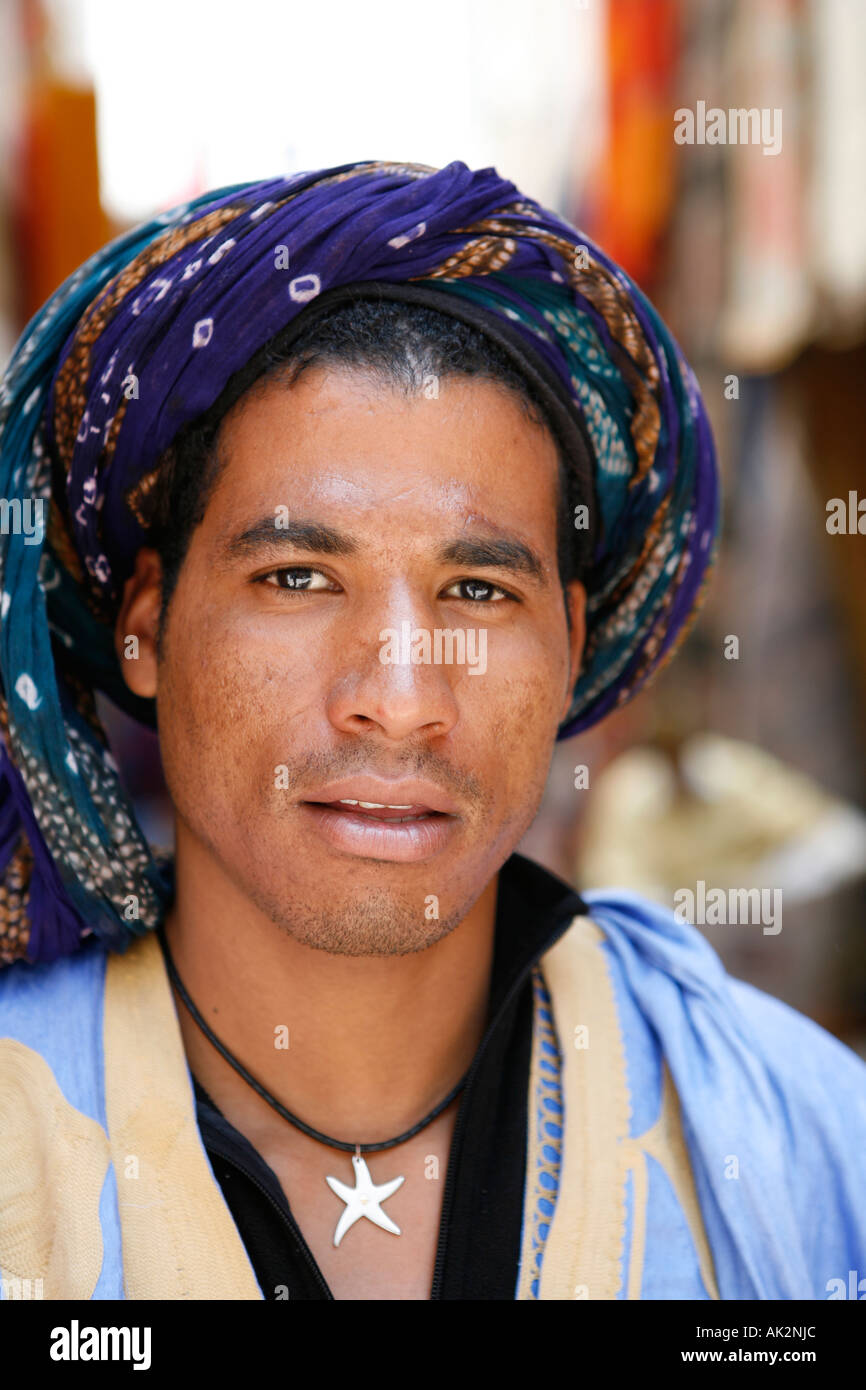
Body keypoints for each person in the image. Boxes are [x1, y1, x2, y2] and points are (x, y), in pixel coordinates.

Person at [0, 159, 863, 1303]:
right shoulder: (26, 1135)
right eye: (298, 576)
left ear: (568, 644)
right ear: (146, 623)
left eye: (475, 593)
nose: (400, 697)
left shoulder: (793, 1147)